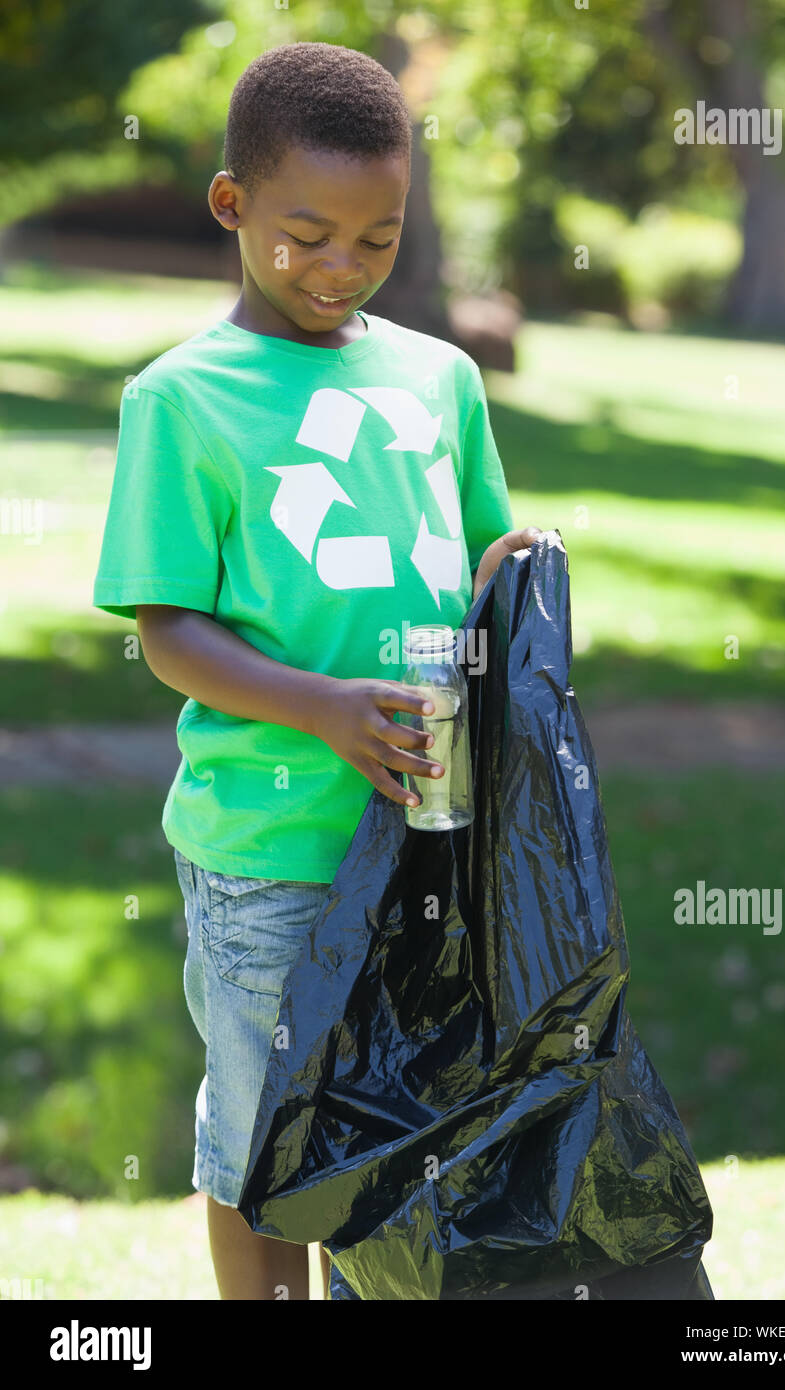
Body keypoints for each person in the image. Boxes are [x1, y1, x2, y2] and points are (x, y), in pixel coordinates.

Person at [92, 40, 541, 1301]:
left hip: (426, 835)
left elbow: (473, 571)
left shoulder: (437, 379)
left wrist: (525, 580)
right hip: (269, 856)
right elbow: (168, 631)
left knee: (402, 1129)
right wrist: (323, 709)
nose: (340, 270)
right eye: (307, 235)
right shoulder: (181, 400)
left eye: (377, 241)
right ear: (232, 206)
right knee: (266, 1142)